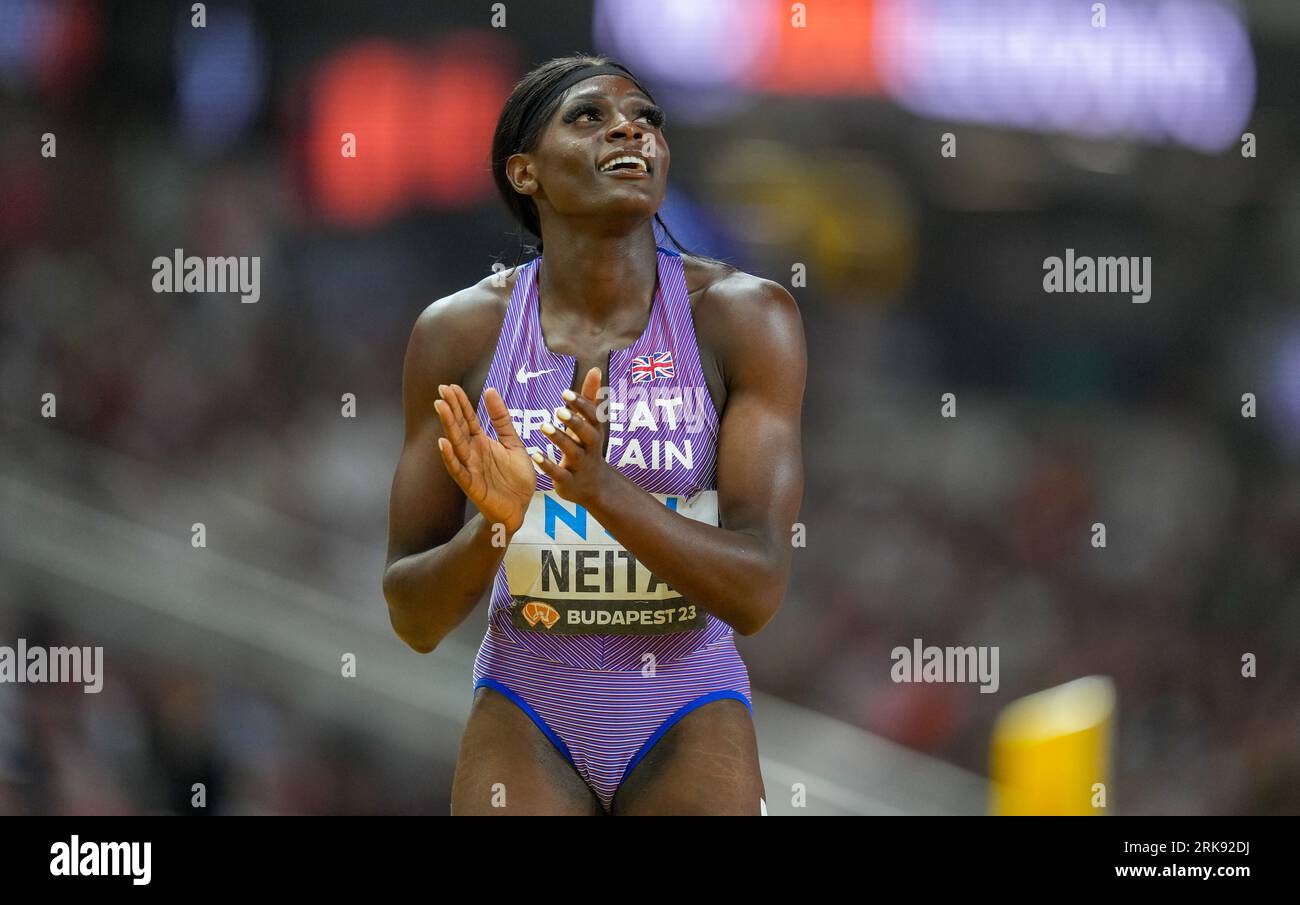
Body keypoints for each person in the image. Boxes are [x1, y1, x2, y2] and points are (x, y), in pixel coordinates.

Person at [383, 54, 805, 815]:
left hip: (686, 698)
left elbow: (758, 590)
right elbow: (412, 617)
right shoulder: (458, 334)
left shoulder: (746, 317)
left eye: (647, 119)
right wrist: (496, 529)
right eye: (589, 116)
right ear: (524, 172)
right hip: (526, 699)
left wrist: (599, 491)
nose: (629, 130)